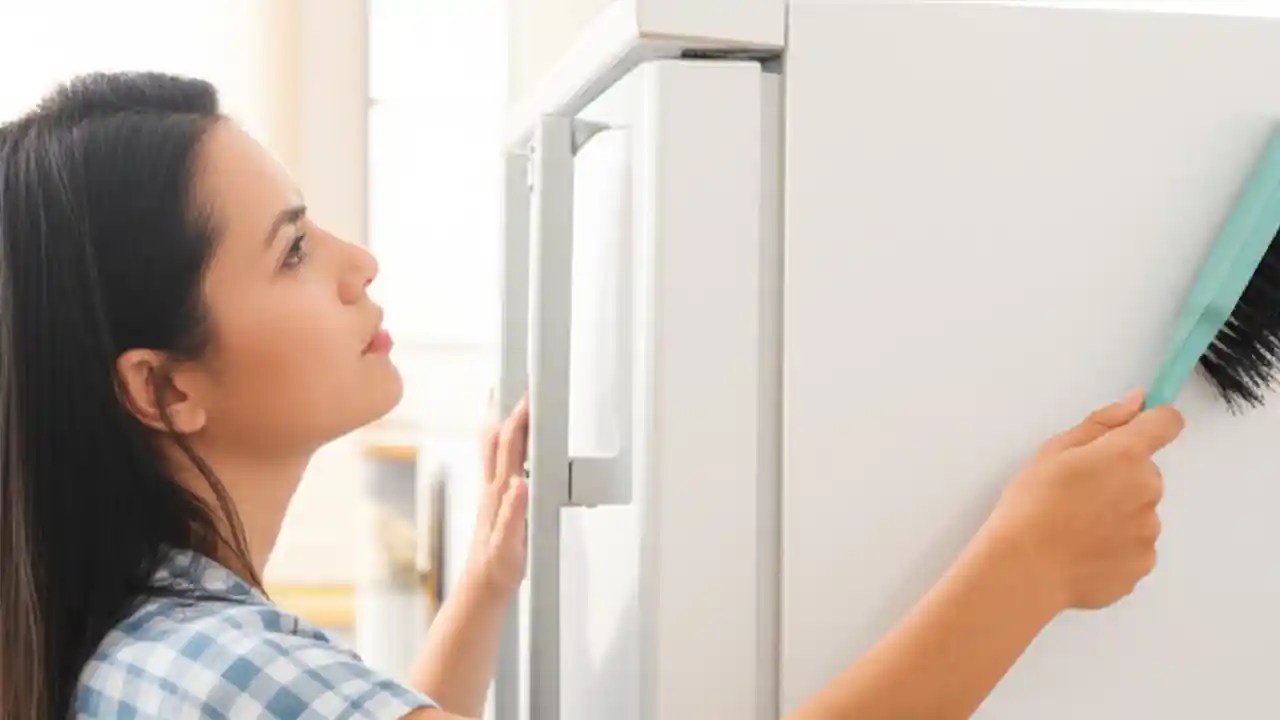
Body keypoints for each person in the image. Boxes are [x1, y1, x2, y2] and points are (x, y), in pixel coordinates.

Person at [0, 73, 1184, 720]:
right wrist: (1027, 568)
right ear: (162, 387)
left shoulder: (144, 648)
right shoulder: (213, 661)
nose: (360, 262)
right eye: (295, 249)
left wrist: (486, 586)